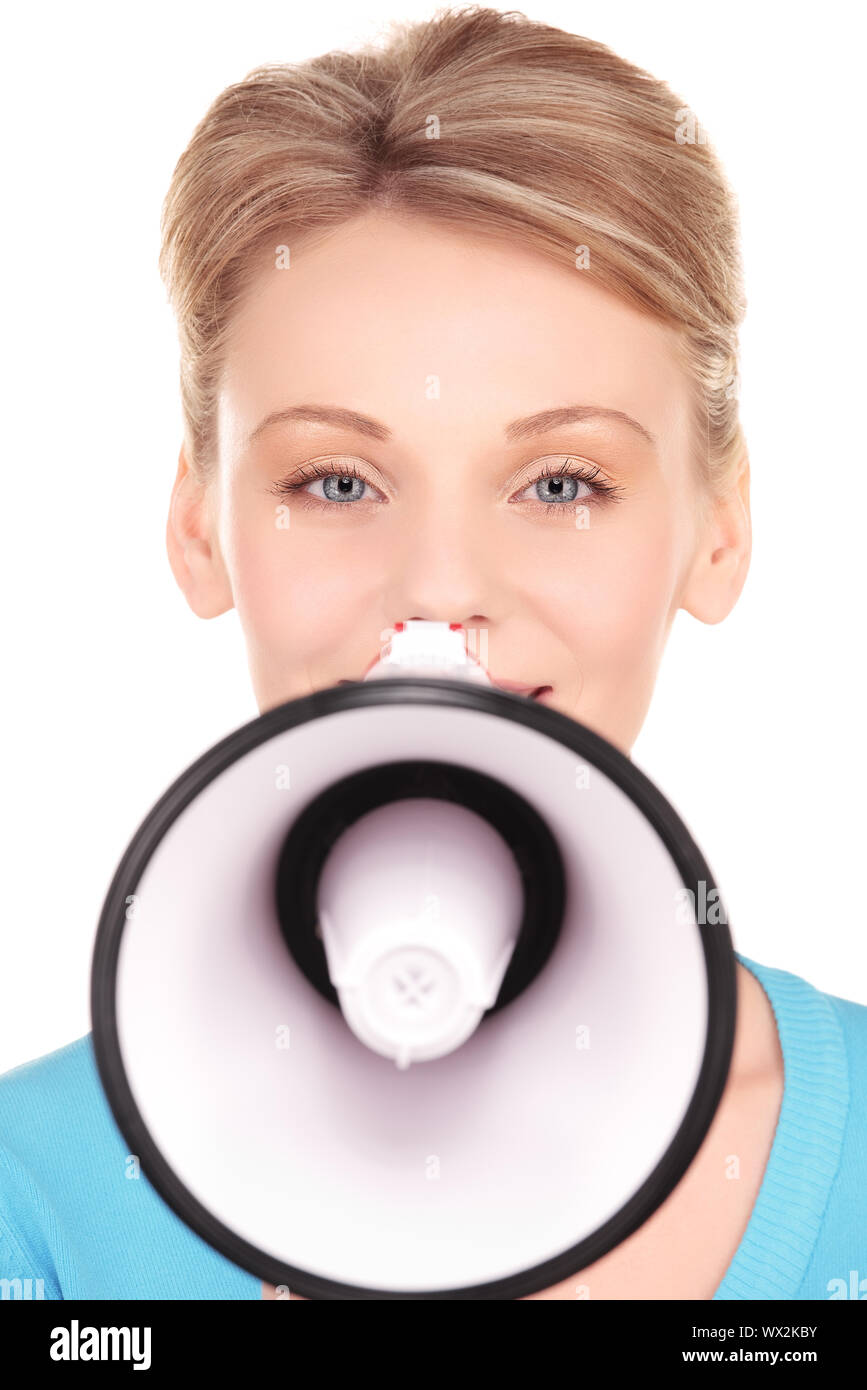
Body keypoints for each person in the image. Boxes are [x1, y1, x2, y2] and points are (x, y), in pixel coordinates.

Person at [1, 5, 864, 1302]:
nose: (443, 591)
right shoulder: (32, 1203)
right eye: (337, 482)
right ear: (197, 524)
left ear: (722, 528)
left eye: (563, 482)